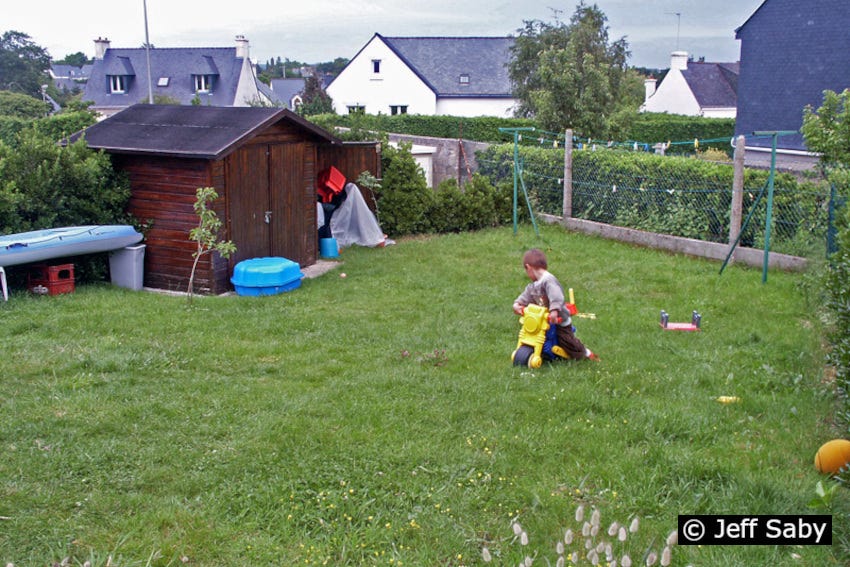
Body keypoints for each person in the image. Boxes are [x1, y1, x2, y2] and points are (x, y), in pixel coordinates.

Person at [512, 248, 599, 361]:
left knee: (567, 341)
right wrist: (517, 304)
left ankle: (585, 353)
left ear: (528, 267)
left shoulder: (549, 281)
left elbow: (556, 296)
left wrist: (554, 311)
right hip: (542, 320)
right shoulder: (533, 286)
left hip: (559, 320)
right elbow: (526, 295)